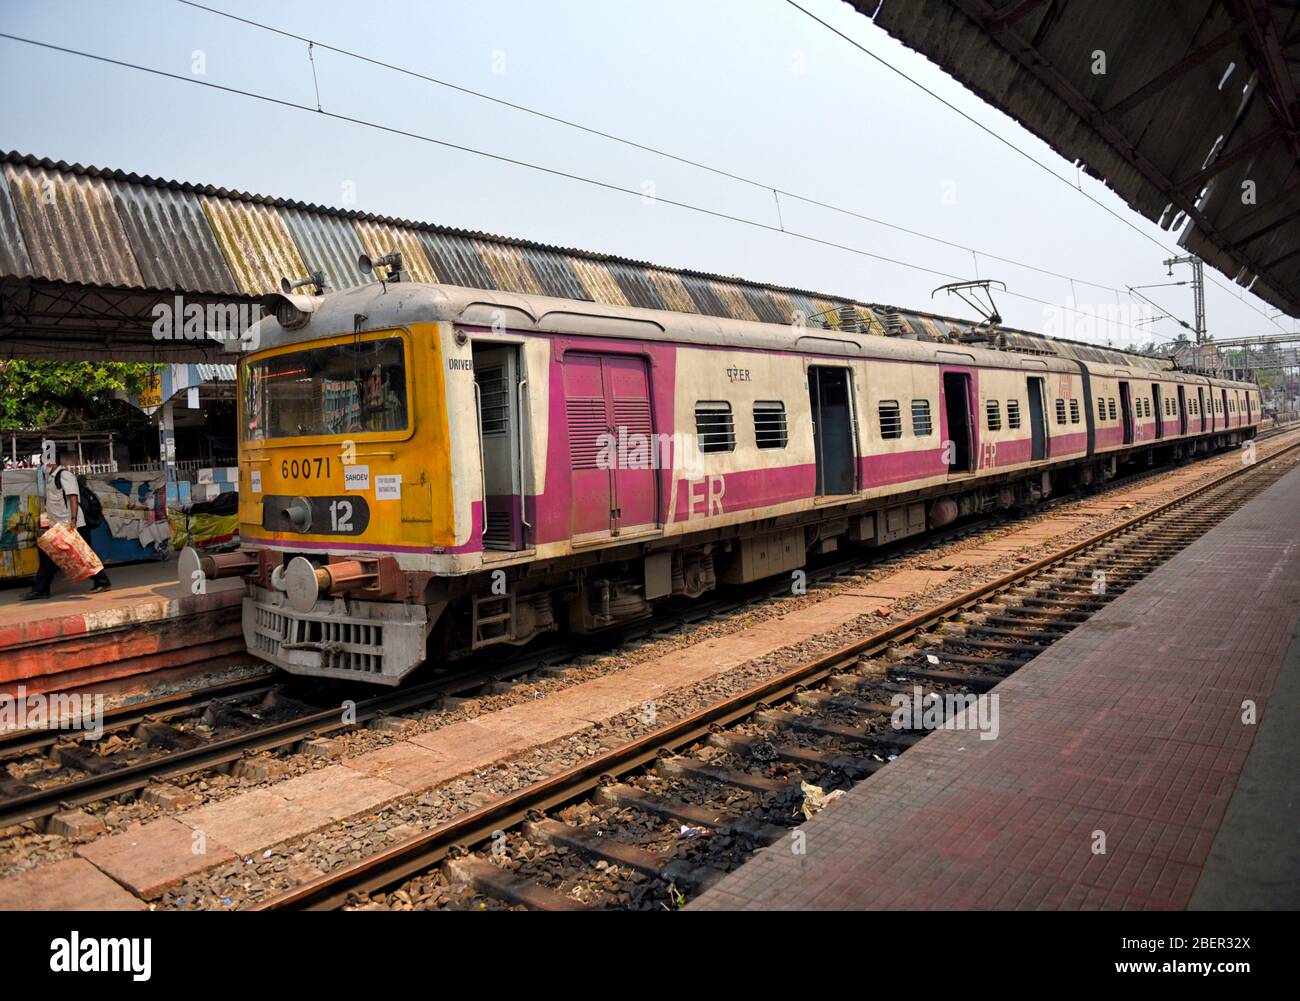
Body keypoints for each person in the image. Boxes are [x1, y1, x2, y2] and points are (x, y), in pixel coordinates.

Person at [22, 454, 111, 599]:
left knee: (84, 556)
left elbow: (73, 497)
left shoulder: (64, 475)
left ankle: (102, 581)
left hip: (71, 524)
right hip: (57, 525)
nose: (41, 466)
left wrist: (73, 521)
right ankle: (41, 589)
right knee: (49, 555)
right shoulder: (50, 478)